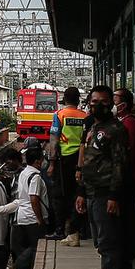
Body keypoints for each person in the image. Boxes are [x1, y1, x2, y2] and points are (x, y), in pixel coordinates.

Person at [75, 85, 129, 269]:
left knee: (107, 242)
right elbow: (86, 161)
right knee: (101, 241)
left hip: (106, 192)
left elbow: (120, 165)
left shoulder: (115, 130)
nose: (98, 105)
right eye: (94, 101)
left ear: (111, 104)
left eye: (103, 101)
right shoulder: (93, 128)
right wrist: (80, 192)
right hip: (92, 191)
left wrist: (114, 196)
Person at [47, 87, 88, 246]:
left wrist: (51, 163)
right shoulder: (85, 116)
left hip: (63, 160)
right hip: (80, 160)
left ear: (65, 100)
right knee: (78, 194)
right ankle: (79, 230)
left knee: (60, 195)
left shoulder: (59, 115)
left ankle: (61, 231)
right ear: (78, 100)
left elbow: (54, 141)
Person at [114, 89, 135, 269]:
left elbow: (129, 155)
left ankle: (131, 258)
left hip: (128, 180)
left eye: (115, 99)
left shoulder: (130, 125)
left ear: (123, 104)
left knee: (128, 222)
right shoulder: (124, 123)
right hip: (125, 179)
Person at [12, 146, 49, 269]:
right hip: (32, 217)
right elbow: (34, 198)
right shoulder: (36, 177)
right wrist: (40, 219)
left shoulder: (23, 173)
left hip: (21, 215)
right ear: (38, 161)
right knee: (35, 247)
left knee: (27, 247)